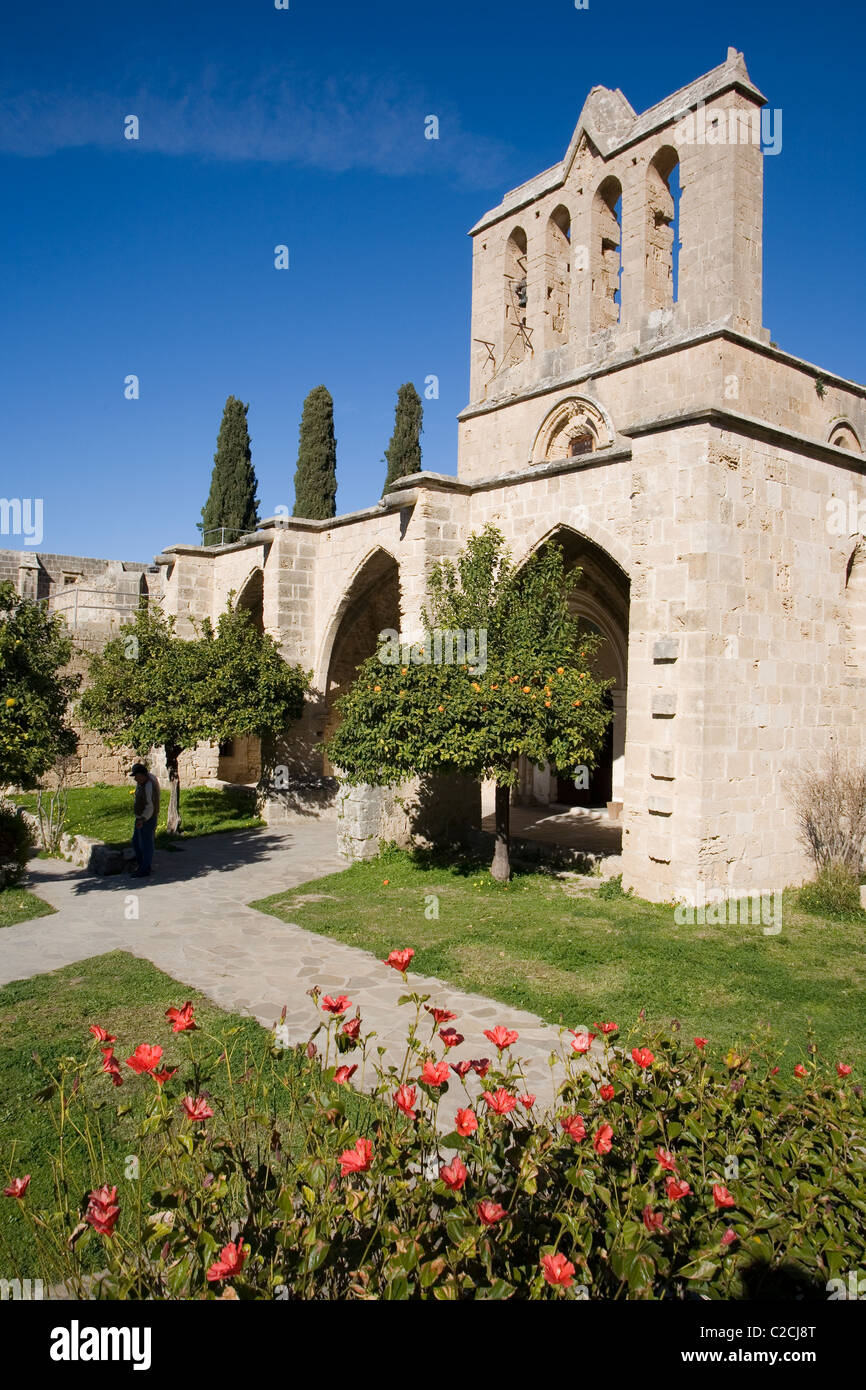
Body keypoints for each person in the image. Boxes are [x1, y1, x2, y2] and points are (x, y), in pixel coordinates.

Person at [129, 763, 160, 878]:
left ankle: (145, 868)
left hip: (147, 818)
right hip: (141, 817)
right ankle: (142, 864)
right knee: (136, 841)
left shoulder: (149, 785)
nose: (135, 779)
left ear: (142, 775)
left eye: (136, 776)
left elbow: (150, 805)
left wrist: (142, 819)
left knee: (146, 843)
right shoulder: (144, 782)